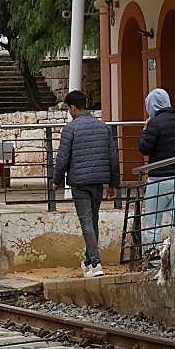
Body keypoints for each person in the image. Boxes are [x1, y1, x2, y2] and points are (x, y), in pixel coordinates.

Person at [49, 89, 118, 279]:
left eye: (69, 109)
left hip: (79, 182)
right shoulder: (103, 127)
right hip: (98, 181)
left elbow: (62, 157)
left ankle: (96, 263)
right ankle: (88, 260)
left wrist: (57, 181)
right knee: (93, 220)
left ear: (73, 107)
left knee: (86, 221)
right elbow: (113, 157)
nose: (69, 112)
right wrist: (113, 183)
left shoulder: (71, 129)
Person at [136, 88, 175, 259]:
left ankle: (153, 259)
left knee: (153, 222)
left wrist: (145, 130)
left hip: (158, 179)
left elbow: (144, 148)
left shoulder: (154, 123)